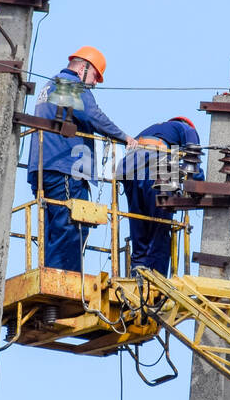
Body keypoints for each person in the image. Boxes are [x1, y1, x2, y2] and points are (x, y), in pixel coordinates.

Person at [28, 46, 135, 271]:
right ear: (84, 67)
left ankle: (50, 272)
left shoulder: (50, 85)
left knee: (52, 227)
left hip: (44, 167)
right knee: (72, 225)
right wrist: (125, 138)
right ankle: (63, 278)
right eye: (96, 76)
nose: (95, 83)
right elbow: (94, 116)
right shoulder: (70, 85)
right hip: (67, 168)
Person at [118, 117, 204, 277]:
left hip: (128, 167)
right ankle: (155, 284)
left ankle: (136, 276)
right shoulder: (187, 129)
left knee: (139, 228)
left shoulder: (154, 129)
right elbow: (192, 160)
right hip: (159, 163)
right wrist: (200, 185)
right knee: (160, 229)